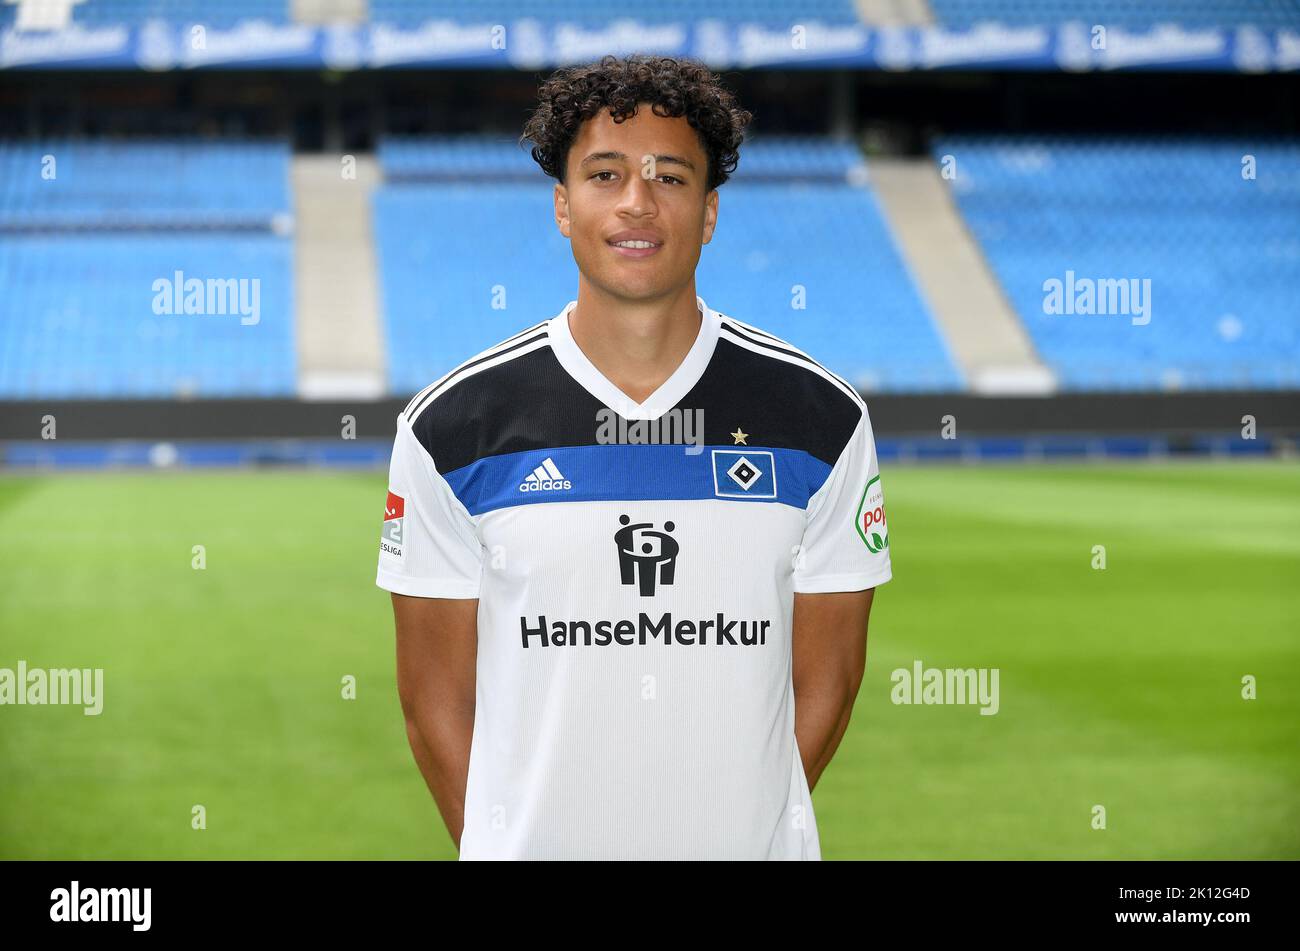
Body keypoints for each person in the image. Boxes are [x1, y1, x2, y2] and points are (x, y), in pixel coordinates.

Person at [376, 53, 892, 859]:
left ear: (711, 210)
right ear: (562, 204)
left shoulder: (821, 421)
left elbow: (827, 686)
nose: (636, 203)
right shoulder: (451, 428)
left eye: (671, 177)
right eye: (605, 174)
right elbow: (434, 705)